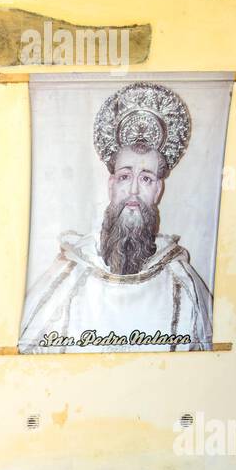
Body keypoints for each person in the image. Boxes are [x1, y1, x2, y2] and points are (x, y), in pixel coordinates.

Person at [20, 81, 214, 352]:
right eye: (125, 176)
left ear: (158, 190)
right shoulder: (67, 276)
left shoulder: (183, 286)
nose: (133, 190)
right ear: (111, 185)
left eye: (146, 178)